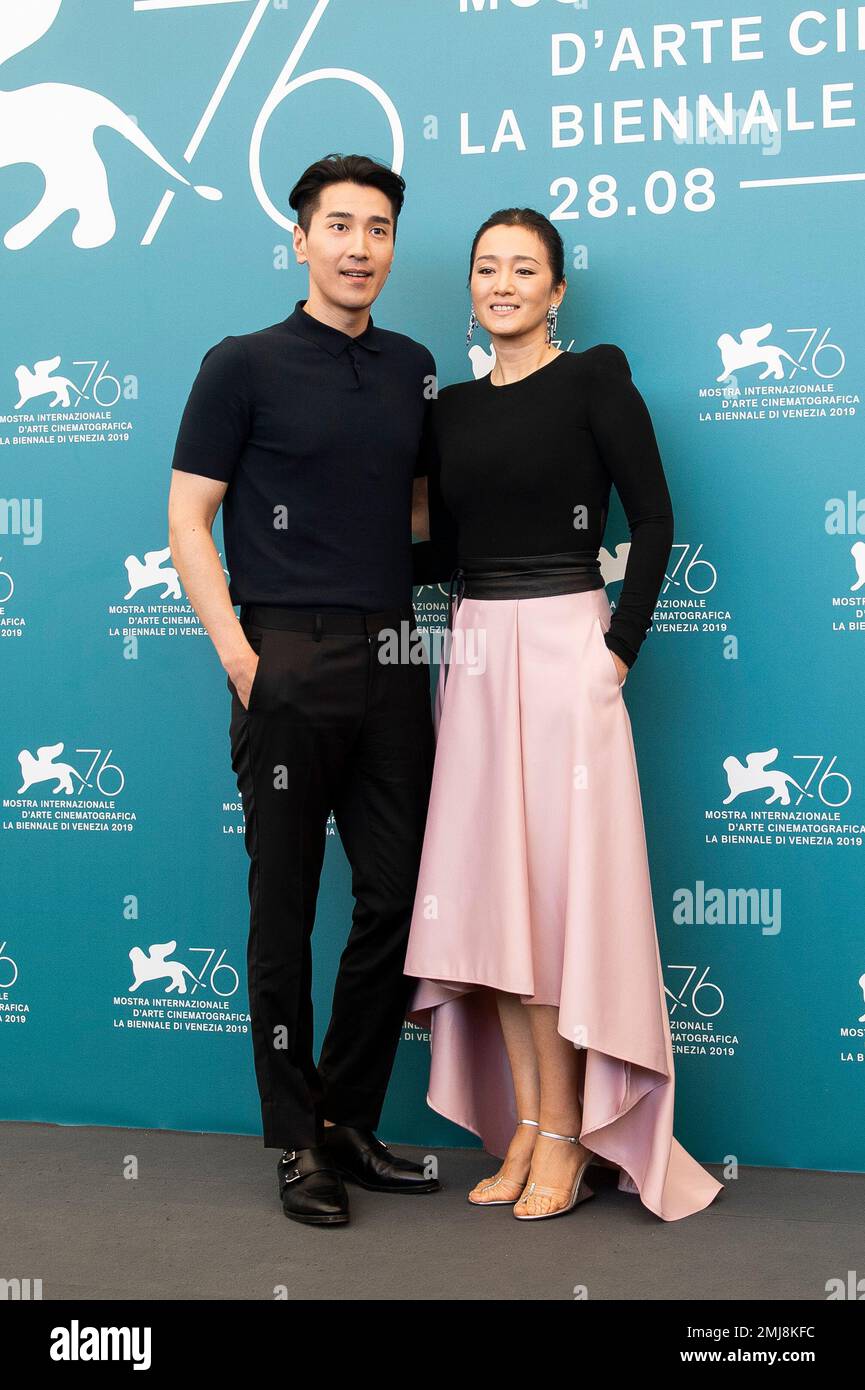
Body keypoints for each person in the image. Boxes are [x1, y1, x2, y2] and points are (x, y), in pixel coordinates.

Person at [407, 208, 724, 1223]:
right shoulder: (447, 411)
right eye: (486, 268)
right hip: (476, 646)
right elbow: (435, 553)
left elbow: (659, 515)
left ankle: (570, 1137)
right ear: (471, 287)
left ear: (556, 292)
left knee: (553, 903)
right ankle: (528, 1128)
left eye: (524, 269)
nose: (502, 282)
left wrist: (616, 648)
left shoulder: (594, 381)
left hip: (565, 648)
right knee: (490, 904)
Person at [167, 153, 441, 1227]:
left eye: (377, 229)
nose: (360, 247)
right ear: (301, 240)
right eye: (340, 226)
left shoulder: (414, 365)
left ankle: (344, 1119)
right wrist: (242, 658)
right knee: (282, 912)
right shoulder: (240, 363)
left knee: (396, 894)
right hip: (282, 653)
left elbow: (418, 519)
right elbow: (190, 520)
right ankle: (293, 1143)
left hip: (390, 658)